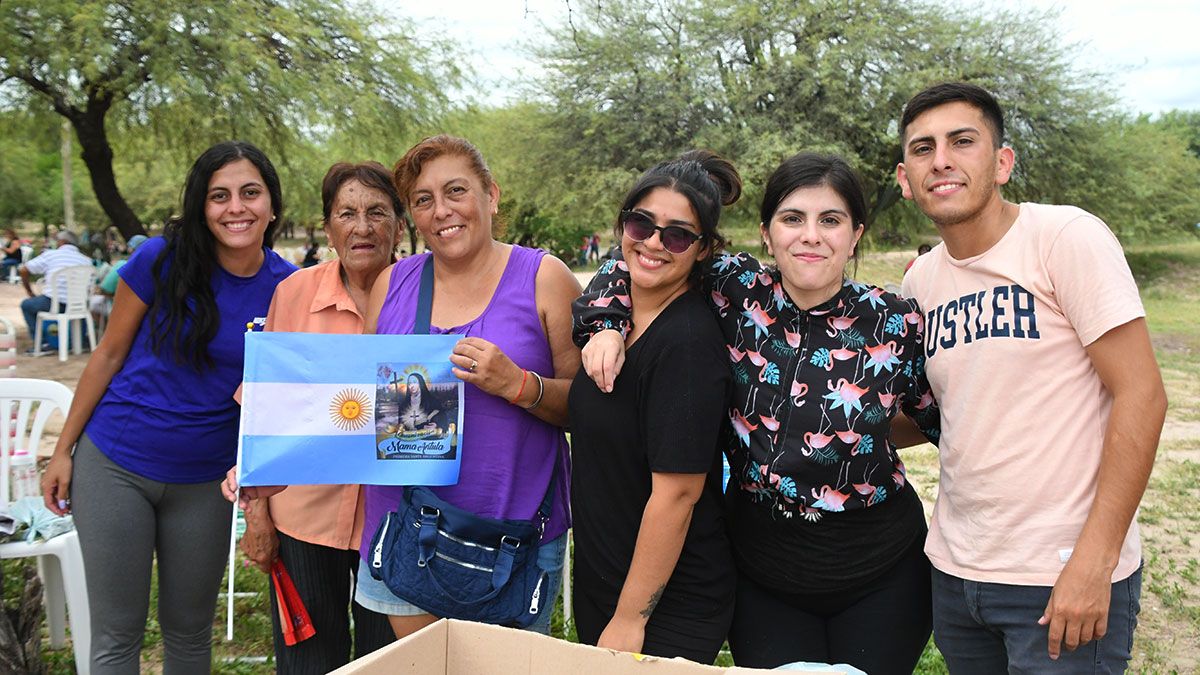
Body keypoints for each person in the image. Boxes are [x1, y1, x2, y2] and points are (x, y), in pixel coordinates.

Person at [573, 153, 940, 673]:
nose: (810, 235)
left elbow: (940, 420)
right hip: (764, 574)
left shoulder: (897, 323)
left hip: (881, 571)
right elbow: (633, 257)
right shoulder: (734, 290)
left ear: (855, 235)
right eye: (793, 218)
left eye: (830, 220)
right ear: (767, 234)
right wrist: (607, 324)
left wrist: (861, 437)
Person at [895, 82, 1166, 672]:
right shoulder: (920, 281)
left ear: (1002, 163)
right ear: (904, 178)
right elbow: (939, 412)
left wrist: (1094, 560)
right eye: (923, 148)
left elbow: (1142, 394)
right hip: (957, 571)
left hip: (1061, 572)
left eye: (962, 141)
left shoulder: (1064, 238)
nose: (941, 160)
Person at [40, 140, 296, 673]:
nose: (236, 207)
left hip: (205, 482)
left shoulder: (287, 288)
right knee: (117, 635)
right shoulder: (160, 259)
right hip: (116, 466)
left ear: (272, 204)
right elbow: (108, 355)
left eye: (250, 193)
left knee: (189, 632)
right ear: (202, 206)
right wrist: (63, 451)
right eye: (219, 195)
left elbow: (283, 397)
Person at [358, 134, 582, 639]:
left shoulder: (545, 278)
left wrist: (518, 385)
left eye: (456, 190)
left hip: (512, 540)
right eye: (423, 200)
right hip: (404, 529)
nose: (441, 211)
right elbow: (361, 407)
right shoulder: (391, 285)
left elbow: (586, 409)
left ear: (491, 195)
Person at [568, 151, 739, 663]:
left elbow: (678, 495)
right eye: (641, 224)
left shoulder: (686, 345)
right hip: (606, 582)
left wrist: (630, 618)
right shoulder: (618, 319)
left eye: (678, 235)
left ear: (704, 249)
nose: (653, 243)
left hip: (662, 607)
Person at [235, 162, 400, 672]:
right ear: (327, 228)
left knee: (388, 662)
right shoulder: (294, 294)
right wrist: (257, 517)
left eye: (377, 212)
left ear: (399, 224)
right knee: (307, 662)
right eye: (346, 213)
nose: (362, 227)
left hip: (394, 520)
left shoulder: (427, 295)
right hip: (303, 517)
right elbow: (264, 417)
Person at [18, 230, 91, 353]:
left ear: (61, 242)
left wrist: (29, 291)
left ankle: (43, 343)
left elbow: (24, 270)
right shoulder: (86, 260)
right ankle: (80, 341)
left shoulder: (51, 254)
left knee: (26, 305)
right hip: (79, 306)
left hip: (53, 303)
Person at [89, 233, 149, 326]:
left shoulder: (123, 265)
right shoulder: (154, 269)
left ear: (131, 249)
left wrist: (98, 290)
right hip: (147, 313)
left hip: (124, 312)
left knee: (93, 304)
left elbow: (105, 289)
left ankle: (104, 329)